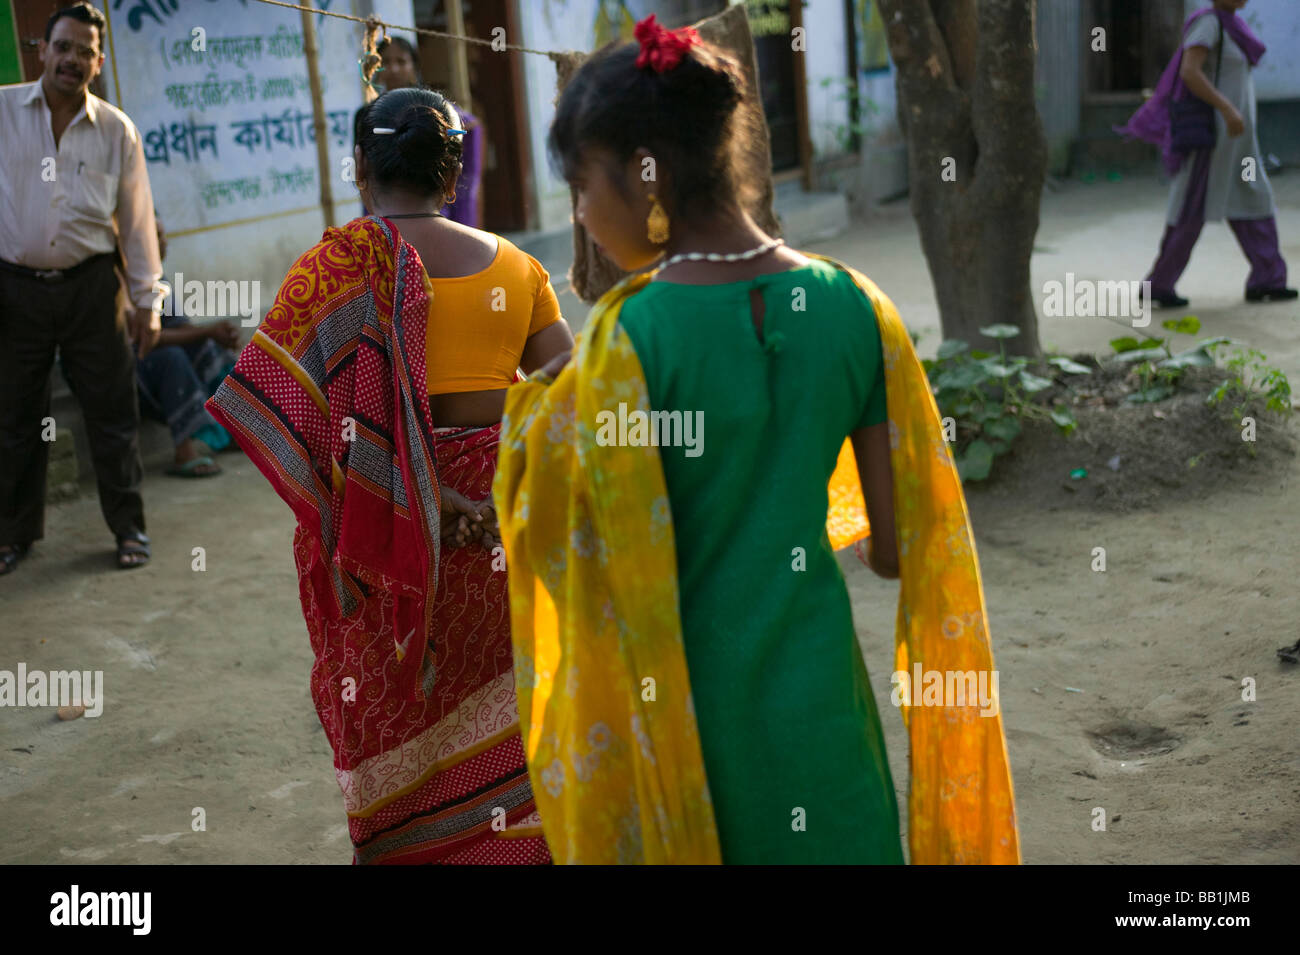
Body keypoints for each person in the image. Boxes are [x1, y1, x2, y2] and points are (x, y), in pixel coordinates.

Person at [493, 15, 1019, 864]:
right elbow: (894, 549)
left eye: (582, 187)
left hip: (693, 740)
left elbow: (559, 531)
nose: (582, 215)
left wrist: (535, 416)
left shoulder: (626, 345)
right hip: (824, 723)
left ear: (644, 174)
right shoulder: (856, 307)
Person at [207, 86, 574, 864]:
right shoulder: (521, 267)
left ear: (362, 166)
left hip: (385, 543)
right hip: (502, 526)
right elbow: (572, 398)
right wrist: (487, 491)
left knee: (396, 720)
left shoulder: (328, 272)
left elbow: (273, 407)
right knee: (514, 720)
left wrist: (398, 475)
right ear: (454, 172)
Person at [0, 2, 162, 575]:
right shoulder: (2, 111)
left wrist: (147, 301)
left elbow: (137, 221)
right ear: (41, 51)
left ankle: (129, 528)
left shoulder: (117, 130)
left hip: (93, 288)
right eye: (62, 47)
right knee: (16, 415)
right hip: (15, 289)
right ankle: (13, 534)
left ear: (98, 62)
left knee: (113, 412)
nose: (72, 60)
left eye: (84, 52)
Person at [1117, 0, 1296, 306]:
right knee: (1192, 206)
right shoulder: (1209, 24)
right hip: (1213, 137)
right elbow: (1189, 71)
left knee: (1254, 196)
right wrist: (1227, 108)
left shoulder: (1235, 25)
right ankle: (1158, 285)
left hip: (1240, 142)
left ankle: (1268, 278)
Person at [353, 36, 484, 227]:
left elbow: (469, 131)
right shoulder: (366, 116)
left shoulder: (434, 111)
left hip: (434, 214)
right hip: (385, 214)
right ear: (376, 69)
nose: (394, 69)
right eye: (386, 62)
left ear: (414, 67)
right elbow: (363, 175)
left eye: (401, 61)